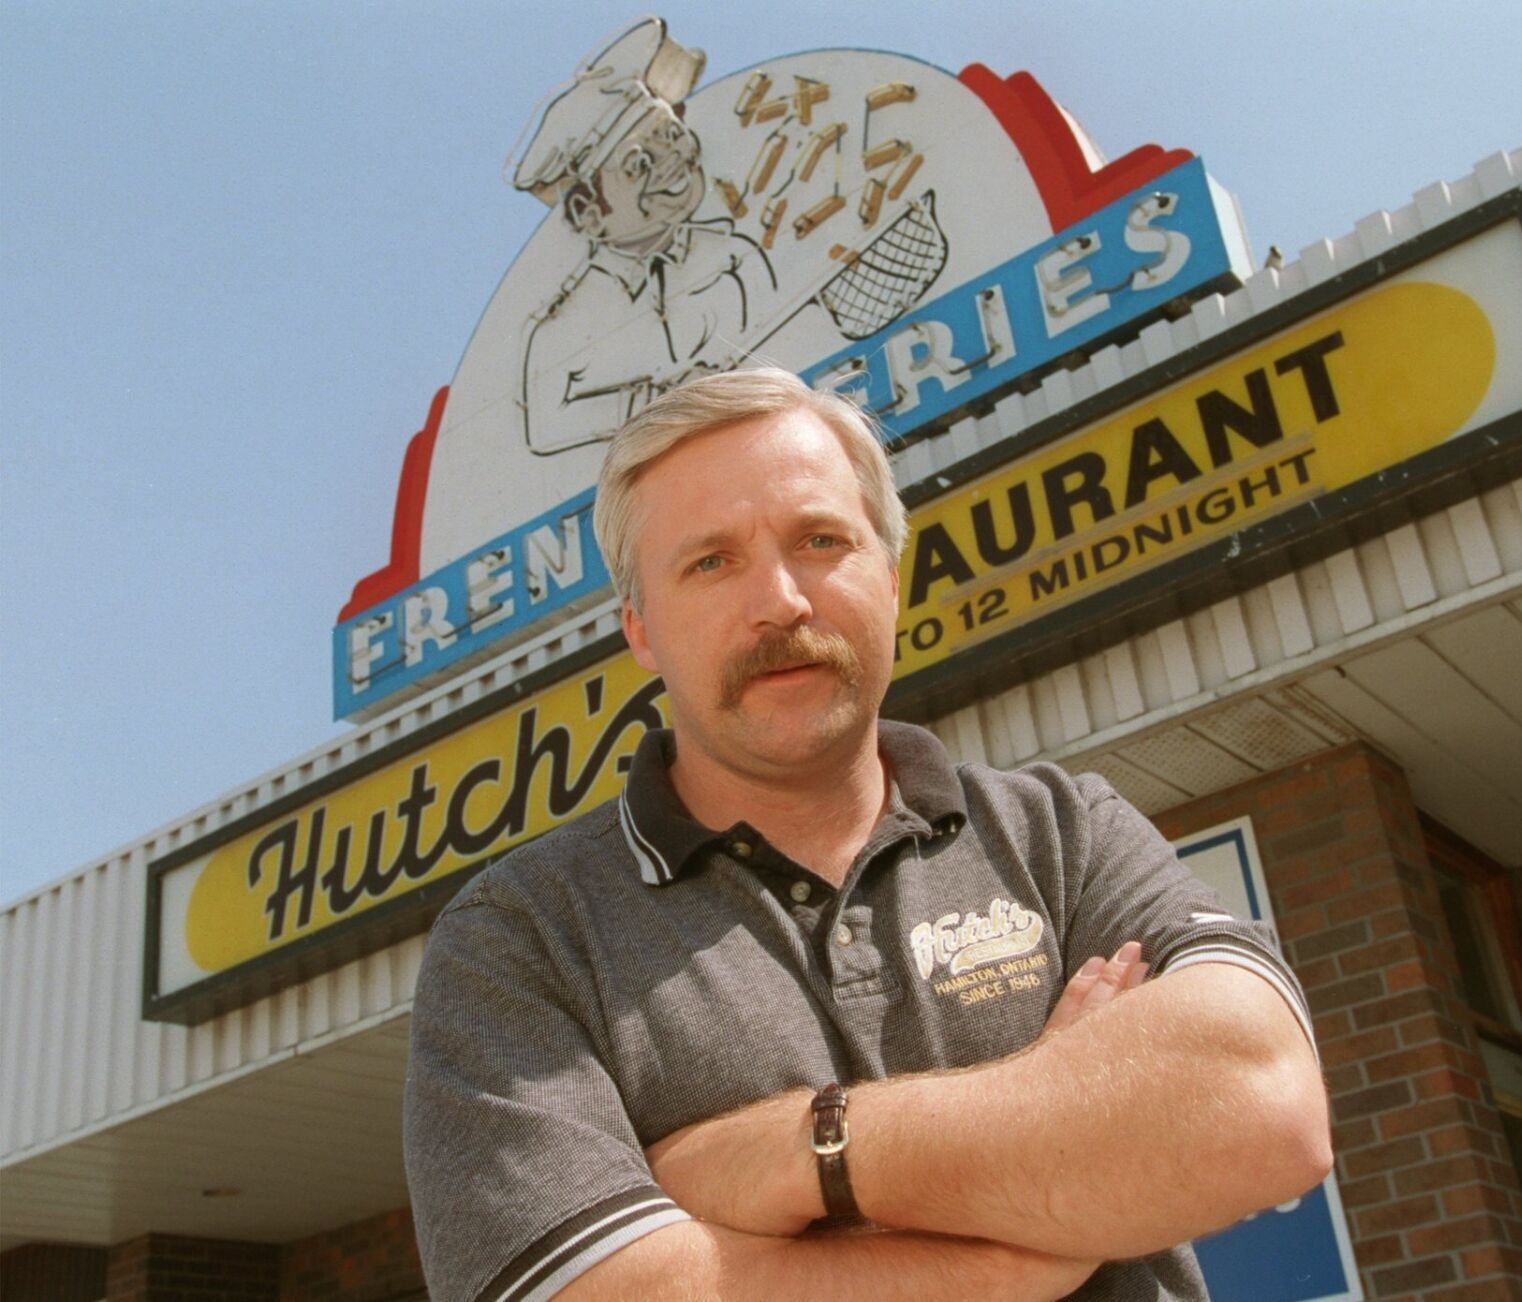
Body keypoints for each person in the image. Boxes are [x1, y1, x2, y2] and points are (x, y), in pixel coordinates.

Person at [404, 367, 1333, 1301]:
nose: (780, 601)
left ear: (889, 580)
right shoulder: (519, 939)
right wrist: (1026, 1234)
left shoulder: (1061, 833)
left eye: (819, 540)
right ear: (641, 628)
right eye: (711, 562)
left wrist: (802, 1149)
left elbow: (1263, 1110)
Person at [513, 19, 777, 459]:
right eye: (638, 163)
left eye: (672, 135)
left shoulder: (734, 254)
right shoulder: (559, 329)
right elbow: (543, 426)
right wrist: (653, 401)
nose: (672, 160)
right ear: (588, 213)